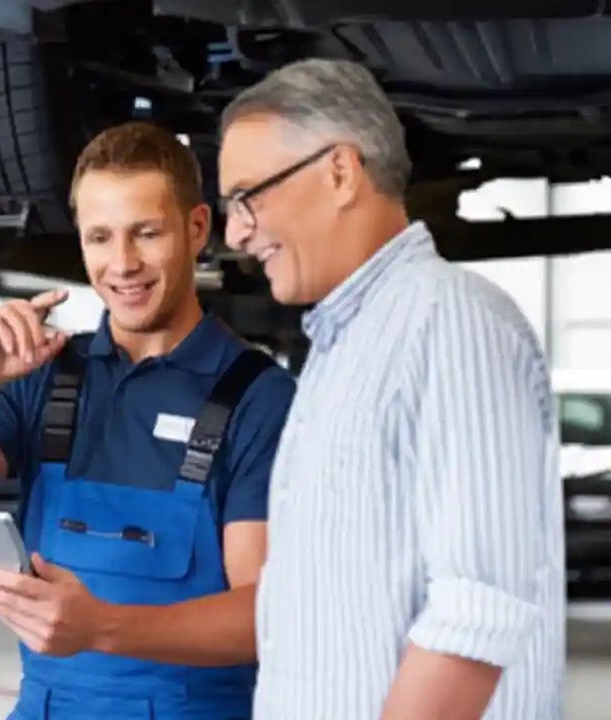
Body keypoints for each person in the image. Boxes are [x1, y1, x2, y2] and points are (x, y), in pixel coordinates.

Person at [0, 121, 297, 719]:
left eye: (146, 233)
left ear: (197, 228)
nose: (122, 263)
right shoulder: (48, 375)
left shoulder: (259, 399)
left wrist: (101, 628)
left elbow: (265, 615)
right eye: (100, 237)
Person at [216, 58, 565, 719]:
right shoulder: (344, 345)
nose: (236, 233)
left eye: (247, 197)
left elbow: (475, 614)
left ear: (340, 173)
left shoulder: (452, 321)